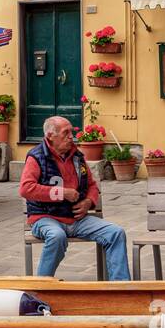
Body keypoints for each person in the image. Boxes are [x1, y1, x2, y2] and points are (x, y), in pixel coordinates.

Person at [20, 116, 129, 279]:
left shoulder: (77, 156)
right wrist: (62, 193)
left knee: (116, 233)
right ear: (51, 136)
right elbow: (26, 188)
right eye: (66, 133)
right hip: (45, 218)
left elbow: (92, 185)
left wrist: (89, 202)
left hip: (77, 219)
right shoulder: (36, 156)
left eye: (71, 132)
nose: (72, 136)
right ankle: (42, 286)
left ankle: (121, 289)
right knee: (56, 236)